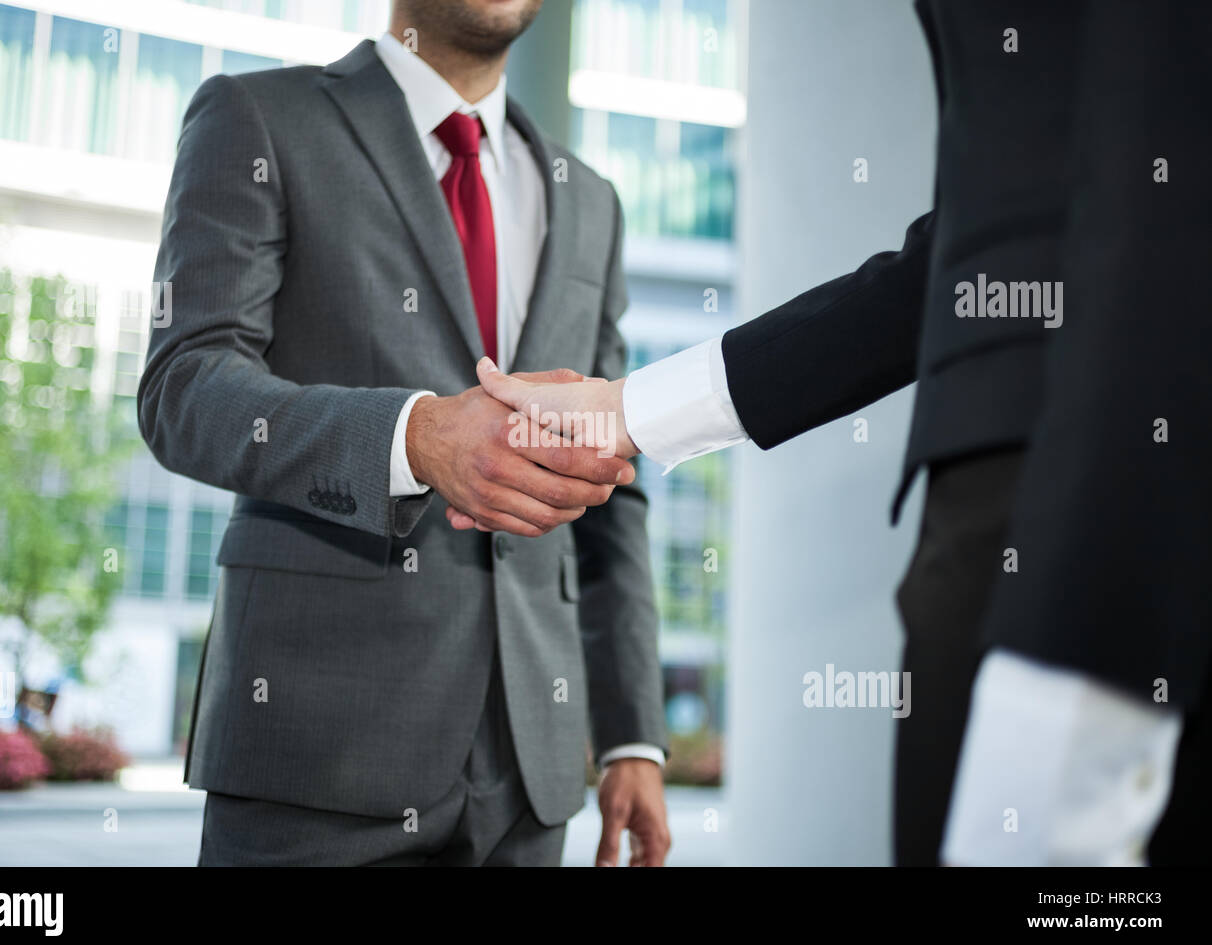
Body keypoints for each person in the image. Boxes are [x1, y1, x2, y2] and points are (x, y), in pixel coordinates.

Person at [461, 0, 1212, 865]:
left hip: (1064, 502)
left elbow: (1166, 173)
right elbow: (954, 259)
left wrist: (1085, 649)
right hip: (1019, 511)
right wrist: (629, 412)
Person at [139, 0, 670, 866]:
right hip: (316, 753)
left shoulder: (593, 201)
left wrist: (632, 739)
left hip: (529, 781)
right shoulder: (259, 117)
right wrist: (416, 437)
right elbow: (184, 387)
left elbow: (616, 489)